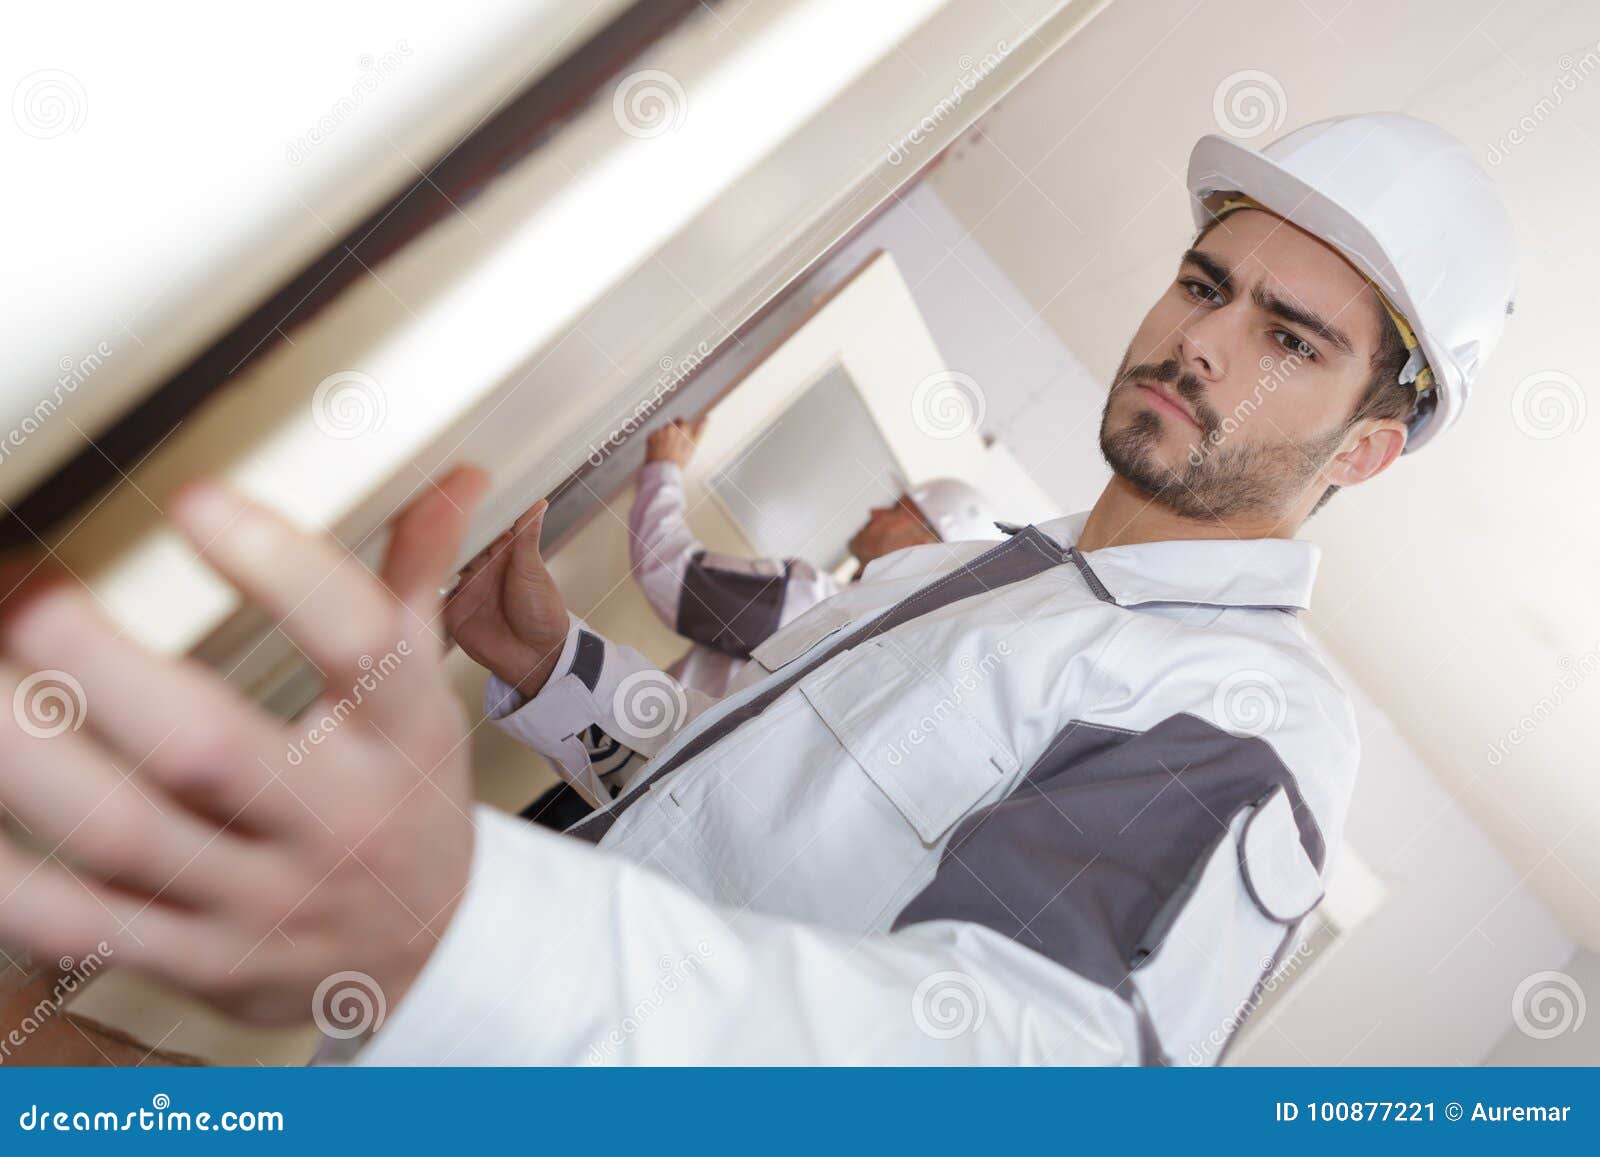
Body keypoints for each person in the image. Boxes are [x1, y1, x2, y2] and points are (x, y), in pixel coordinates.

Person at [0, 112, 1514, 1065]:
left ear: (1367, 450)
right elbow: (739, 824)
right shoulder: (988, 576)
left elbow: (998, 1069)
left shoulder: (1248, 716)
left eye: (1291, 341)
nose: (1206, 345)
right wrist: (557, 675)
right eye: (1205, 286)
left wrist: (462, 928)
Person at [521, 414, 999, 829]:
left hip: (631, 768)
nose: (877, 510)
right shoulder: (866, 641)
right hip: (661, 793)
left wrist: (664, 467)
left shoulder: (814, 603)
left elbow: (670, 576)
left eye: (898, 508)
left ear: (924, 540)